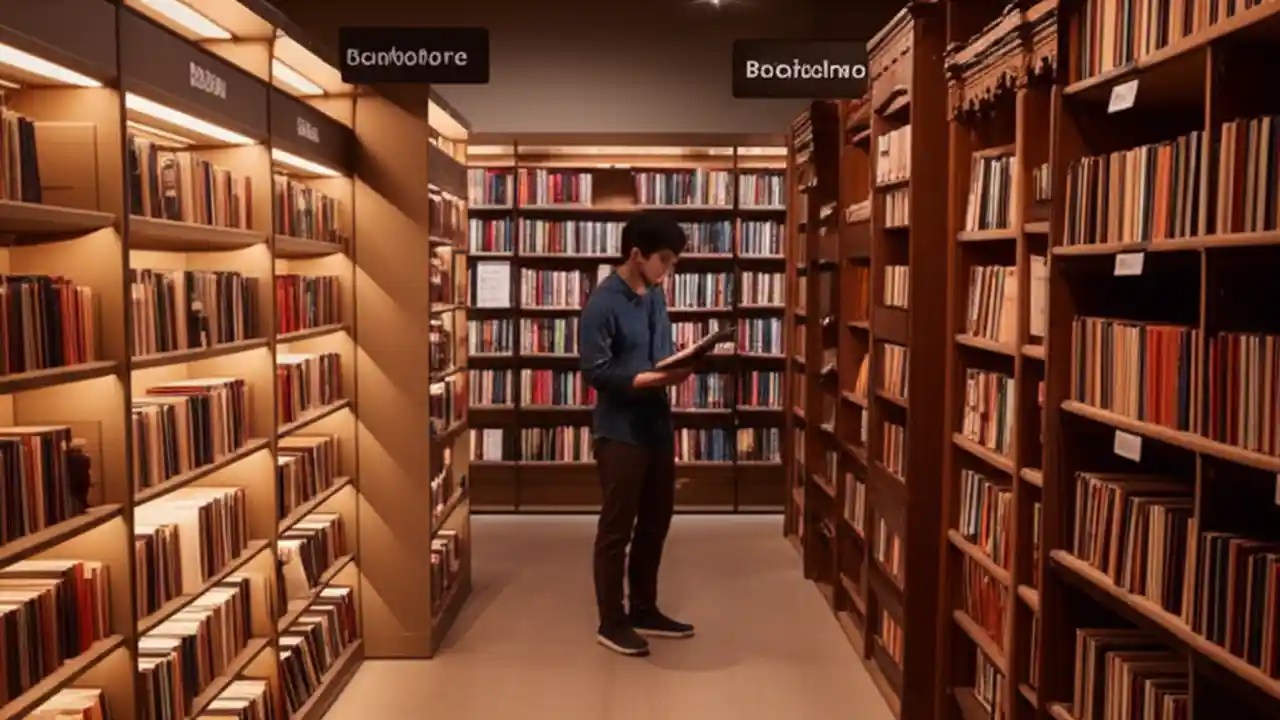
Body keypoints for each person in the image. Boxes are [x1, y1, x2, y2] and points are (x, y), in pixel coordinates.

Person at [579, 212, 695, 657]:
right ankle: (611, 621)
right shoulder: (602, 303)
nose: (669, 269)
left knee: (655, 521)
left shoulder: (655, 296)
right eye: (664, 259)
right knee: (616, 528)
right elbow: (597, 373)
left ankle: (644, 608)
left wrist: (680, 363)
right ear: (636, 255)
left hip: (656, 426)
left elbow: (659, 355)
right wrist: (657, 378)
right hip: (620, 432)